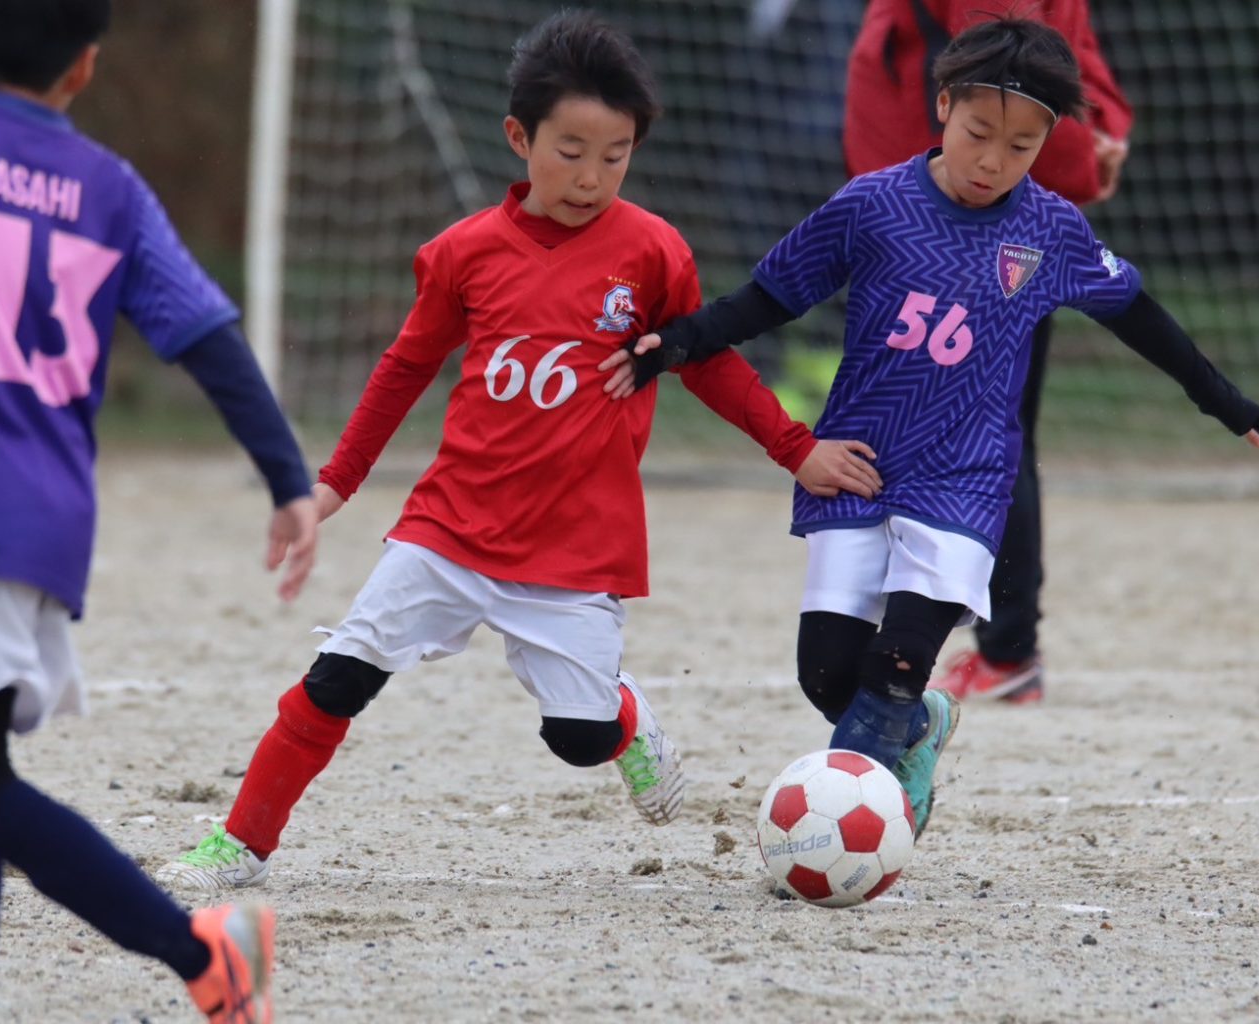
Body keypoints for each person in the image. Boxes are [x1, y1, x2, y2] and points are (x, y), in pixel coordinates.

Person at [155, 8, 884, 892]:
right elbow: (404, 368)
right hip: (449, 526)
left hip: (575, 547)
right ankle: (241, 844)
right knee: (339, 676)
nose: (590, 175)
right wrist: (334, 483)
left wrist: (794, 450)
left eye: (614, 155)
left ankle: (621, 716)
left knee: (575, 740)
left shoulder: (653, 253)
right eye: (569, 150)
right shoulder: (463, 254)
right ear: (518, 137)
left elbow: (709, 366)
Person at [600, 15, 1259, 837]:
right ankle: (924, 731)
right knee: (826, 673)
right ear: (943, 106)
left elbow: (1136, 314)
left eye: (1021, 146)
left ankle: (841, 832)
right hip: (863, 461)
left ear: (1047, 142)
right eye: (979, 133)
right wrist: (684, 340)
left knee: (897, 664)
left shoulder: (1049, 229)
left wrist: (1222, 398)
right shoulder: (872, 206)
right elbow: (770, 298)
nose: (993, 160)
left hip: (965, 477)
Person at [0, 1, 318, 1020]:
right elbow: (208, 336)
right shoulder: (113, 187)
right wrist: (286, 476)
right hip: (52, 521)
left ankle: (203, 951)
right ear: (84, 68)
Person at [844, 0, 1134, 704]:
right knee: (948, 422)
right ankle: (962, 633)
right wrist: (1105, 127)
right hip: (933, 207)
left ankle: (1005, 652)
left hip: (957, 220)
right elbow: (1070, 45)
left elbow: (1016, 85)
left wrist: (1086, 150)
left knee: (980, 432)